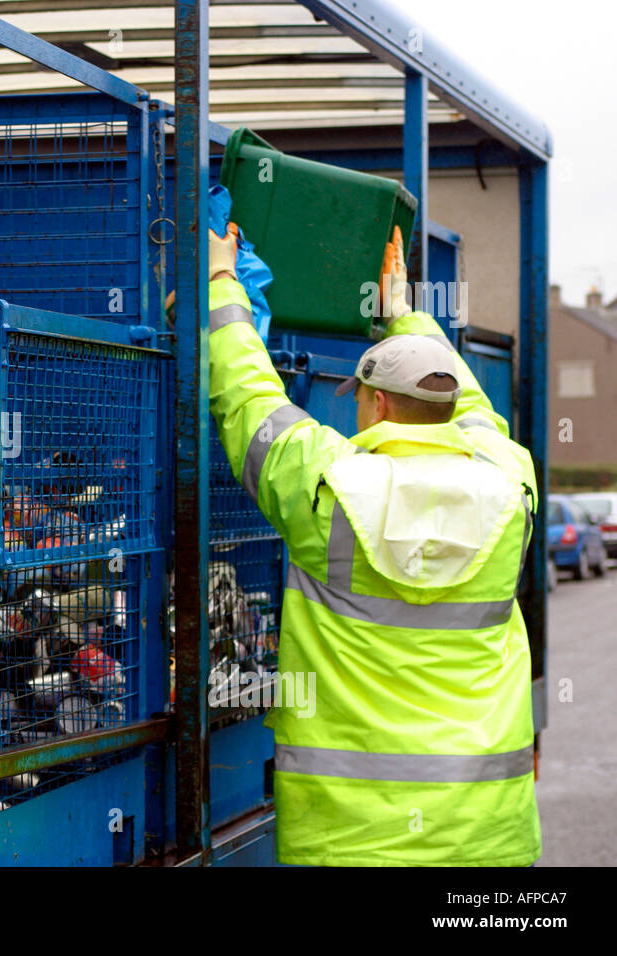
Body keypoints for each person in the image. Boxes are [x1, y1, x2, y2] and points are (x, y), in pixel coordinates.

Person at [204, 222, 541, 866]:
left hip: (348, 841)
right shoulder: (511, 488)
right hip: (486, 837)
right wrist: (409, 320)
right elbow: (471, 411)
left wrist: (223, 281)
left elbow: (249, 399)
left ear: (378, 404)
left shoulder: (328, 489)